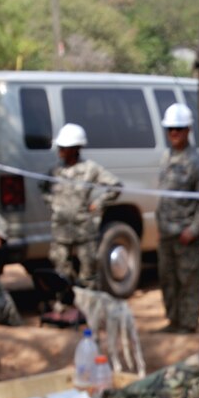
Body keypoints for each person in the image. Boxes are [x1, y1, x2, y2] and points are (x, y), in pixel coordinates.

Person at [155, 103, 199, 334]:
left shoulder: (198, 164)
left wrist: (193, 230)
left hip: (186, 235)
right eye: (170, 129)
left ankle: (188, 325)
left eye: (178, 129)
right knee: (167, 281)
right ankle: (173, 321)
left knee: (188, 281)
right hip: (166, 234)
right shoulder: (165, 158)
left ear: (188, 130)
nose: (174, 133)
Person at [40, 123, 122, 288]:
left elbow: (115, 186)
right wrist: (53, 203)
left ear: (76, 148)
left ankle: (88, 308)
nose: (60, 150)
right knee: (61, 274)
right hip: (61, 232)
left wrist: (98, 204)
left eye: (65, 147)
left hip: (84, 231)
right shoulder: (55, 171)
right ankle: (65, 307)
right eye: (60, 146)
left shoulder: (90, 169)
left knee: (88, 276)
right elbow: (43, 187)